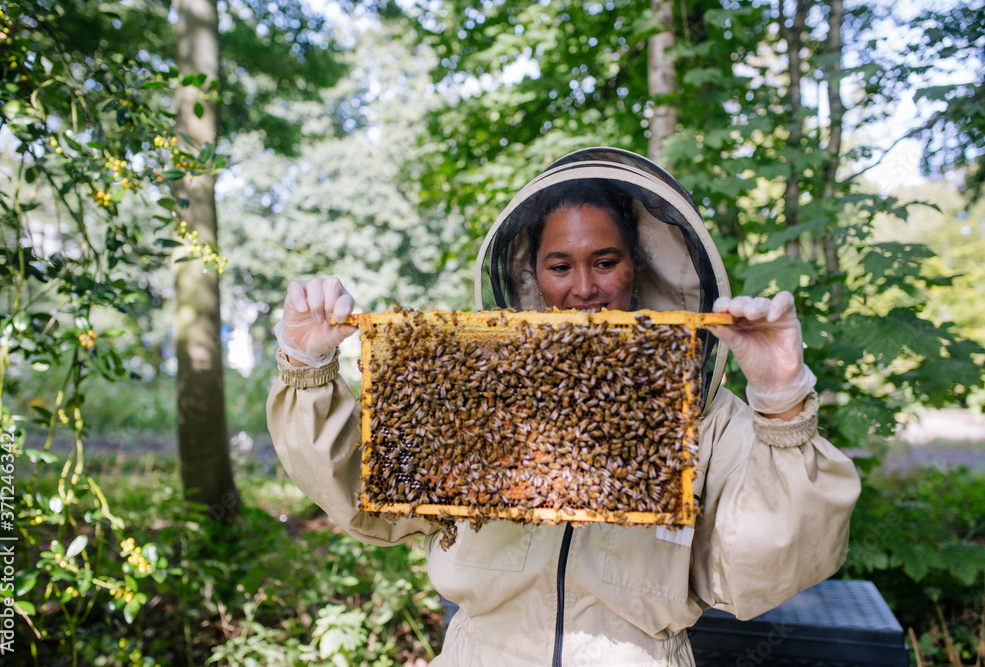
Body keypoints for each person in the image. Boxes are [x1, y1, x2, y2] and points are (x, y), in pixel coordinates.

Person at [267, 147, 861, 666]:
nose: (583, 287)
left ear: (638, 269)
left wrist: (782, 405)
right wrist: (307, 369)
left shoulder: (706, 416)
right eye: (560, 265)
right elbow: (366, 500)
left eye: (605, 261)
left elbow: (766, 564)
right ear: (533, 276)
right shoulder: (474, 391)